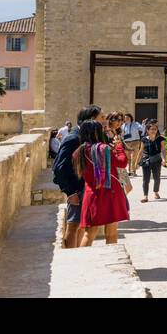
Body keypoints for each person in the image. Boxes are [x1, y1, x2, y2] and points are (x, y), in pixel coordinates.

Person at [72, 119, 130, 245]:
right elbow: (122, 162)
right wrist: (119, 146)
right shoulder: (104, 149)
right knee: (111, 232)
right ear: (97, 132)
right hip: (110, 193)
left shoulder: (79, 152)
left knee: (90, 233)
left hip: (92, 194)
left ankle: (83, 259)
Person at [53, 105, 102, 249]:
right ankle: (71, 257)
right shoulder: (73, 138)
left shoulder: (84, 136)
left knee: (81, 225)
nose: (104, 121)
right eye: (101, 118)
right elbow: (59, 167)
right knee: (73, 226)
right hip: (76, 189)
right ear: (92, 119)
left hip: (82, 188)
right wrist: (70, 192)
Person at [140, 119, 165, 202]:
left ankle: (156, 191)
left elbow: (163, 149)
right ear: (147, 130)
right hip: (146, 160)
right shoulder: (144, 139)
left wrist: (164, 159)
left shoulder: (160, 138)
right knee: (145, 179)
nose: (153, 131)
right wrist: (136, 163)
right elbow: (141, 151)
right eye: (151, 129)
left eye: (155, 129)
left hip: (157, 160)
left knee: (157, 177)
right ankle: (145, 196)